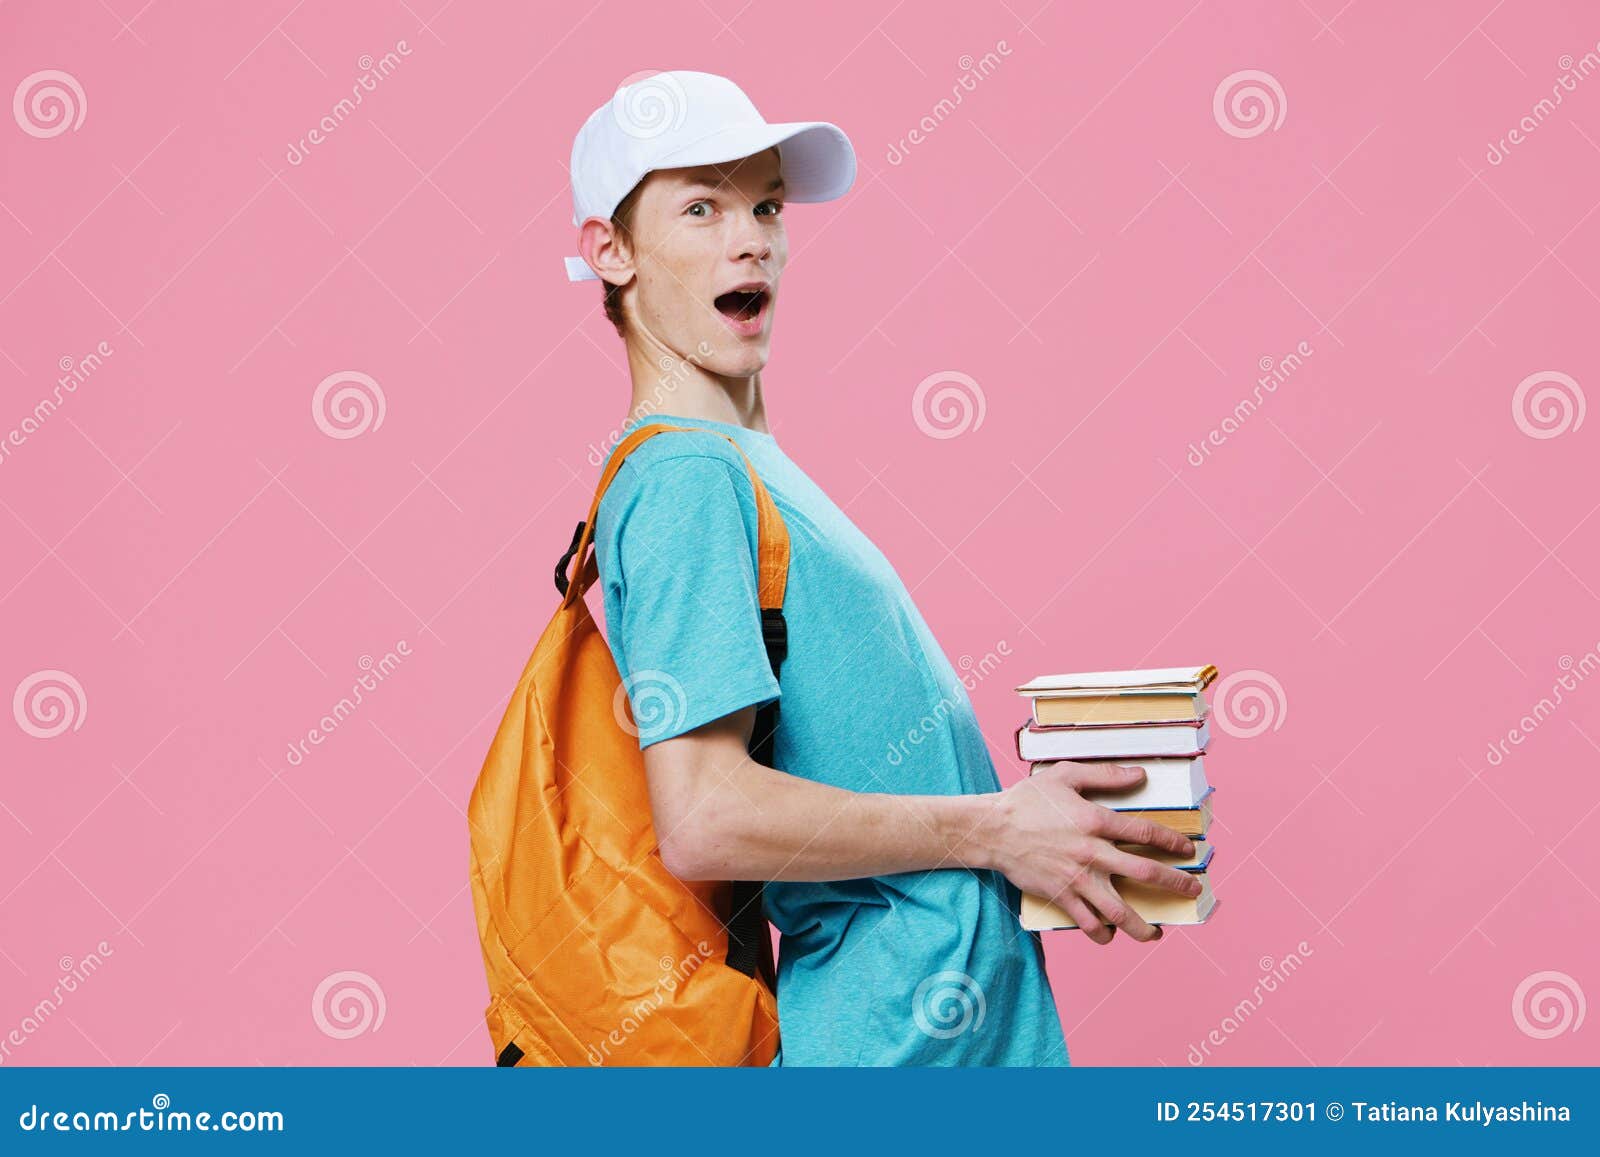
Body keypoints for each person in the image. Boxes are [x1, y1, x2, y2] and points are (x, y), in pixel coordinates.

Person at [566, 70, 1202, 1066]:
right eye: (700, 208)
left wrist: (1049, 824)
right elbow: (702, 814)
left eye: (766, 203)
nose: (751, 238)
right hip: (892, 1055)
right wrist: (996, 827)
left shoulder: (746, 465)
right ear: (610, 251)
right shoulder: (686, 471)